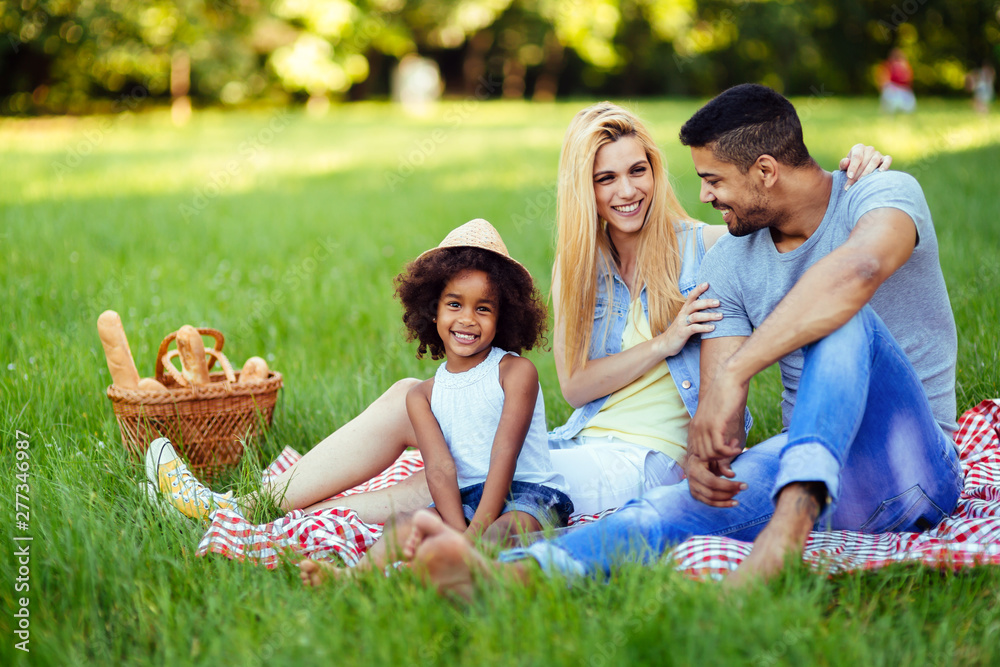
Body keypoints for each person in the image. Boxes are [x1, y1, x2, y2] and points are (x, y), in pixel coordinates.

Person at [145, 104, 889, 528]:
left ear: (657, 171)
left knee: (457, 471)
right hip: (583, 435)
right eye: (605, 178)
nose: (626, 190)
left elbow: (800, 228)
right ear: (584, 190)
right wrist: (663, 341)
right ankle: (248, 507)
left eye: (638, 170)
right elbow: (576, 385)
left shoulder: (708, 249)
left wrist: (852, 172)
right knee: (421, 409)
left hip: (649, 462)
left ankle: (255, 513)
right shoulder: (582, 269)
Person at [403, 84, 961, 597]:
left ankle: (787, 531)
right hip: (810, 467)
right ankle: (510, 578)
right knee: (665, 508)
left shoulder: (881, 192)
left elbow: (858, 271)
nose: (702, 196)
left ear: (765, 170)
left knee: (848, 317)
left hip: (915, 463)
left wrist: (743, 369)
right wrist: (704, 456)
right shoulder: (732, 261)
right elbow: (716, 404)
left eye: (714, 180)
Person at [296, 219, 573, 584]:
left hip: (530, 496)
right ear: (433, 310)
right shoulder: (422, 396)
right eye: (455, 304)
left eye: (483, 309)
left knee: (503, 530)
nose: (467, 320)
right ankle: (354, 577)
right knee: (402, 524)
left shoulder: (515, 373)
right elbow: (440, 468)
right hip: (462, 498)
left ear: (502, 316)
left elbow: (504, 456)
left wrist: (471, 538)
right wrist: (456, 528)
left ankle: (462, 565)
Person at [879, 48, 916, 114]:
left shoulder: (890, 65)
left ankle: (889, 111)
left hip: (898, 91)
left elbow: (883, 82)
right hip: (902, 92)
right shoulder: (905, 65)